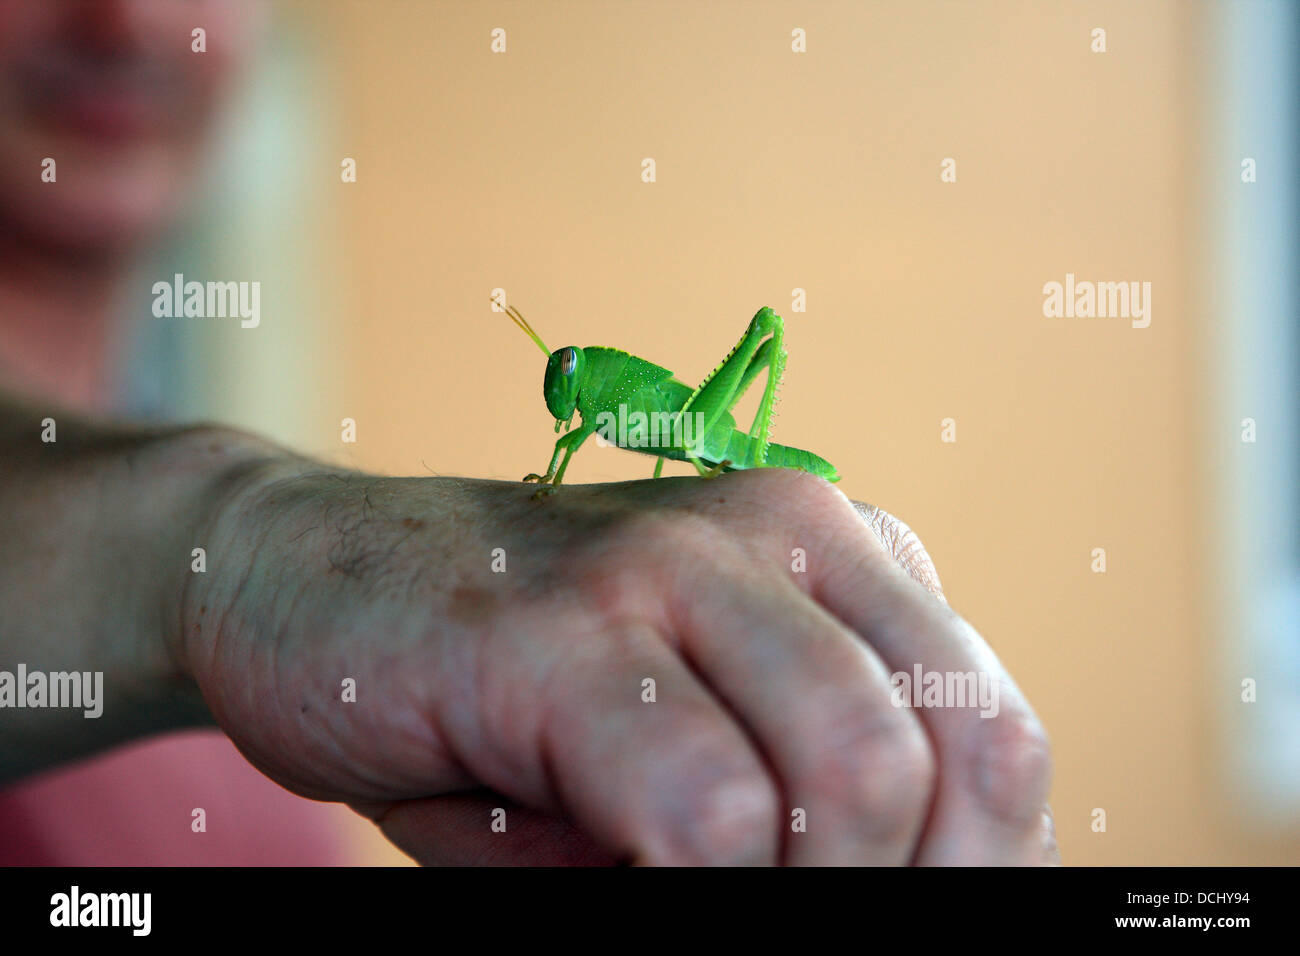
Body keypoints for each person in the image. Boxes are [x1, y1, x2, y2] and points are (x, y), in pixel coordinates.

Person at [0, 0, 1056, 865]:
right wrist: (235, 546)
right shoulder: (241, 629)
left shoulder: (312, 750)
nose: (122, 19)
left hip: (719, 439)